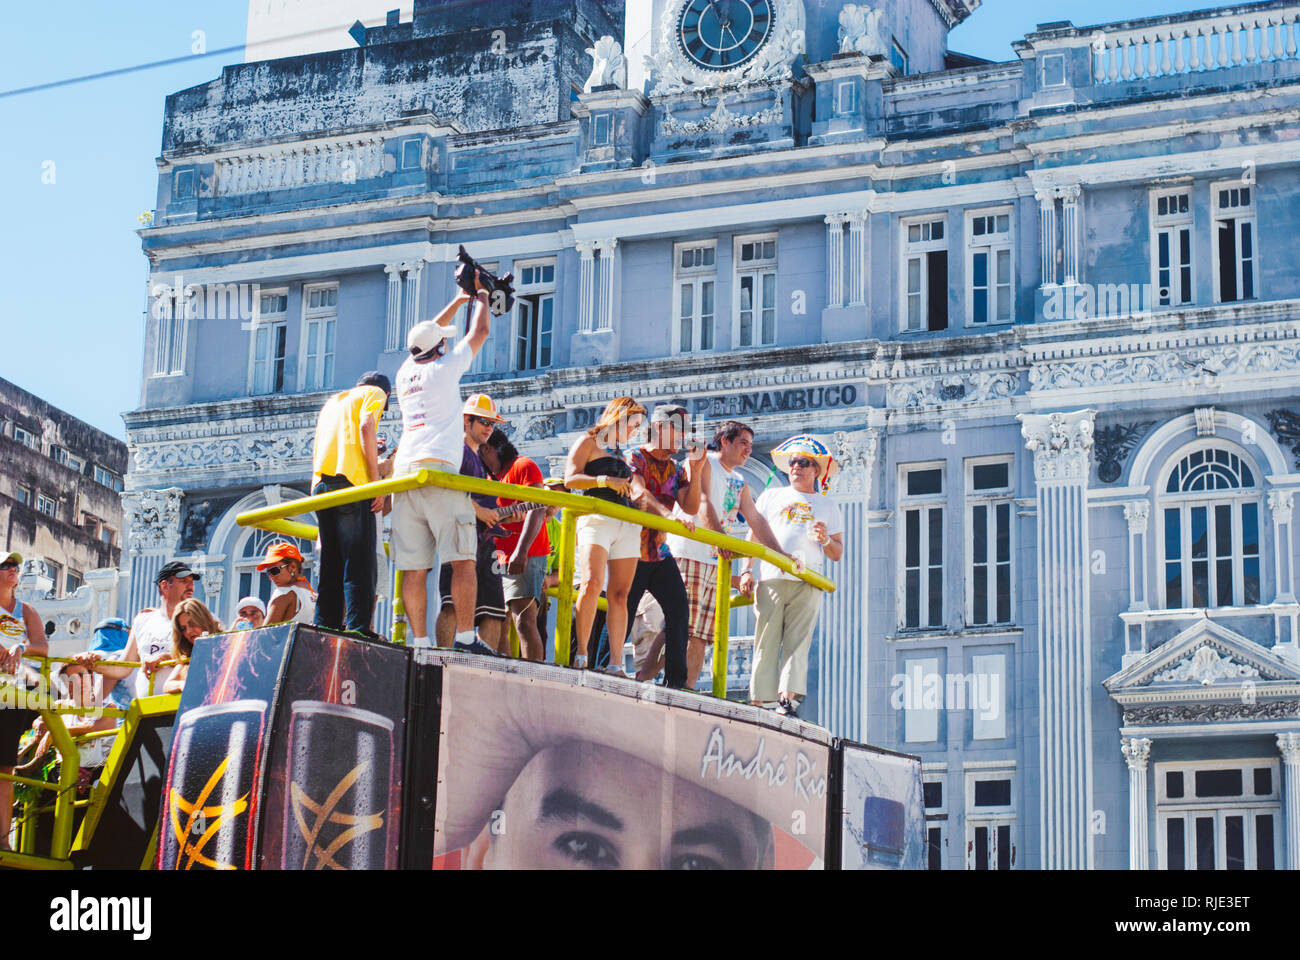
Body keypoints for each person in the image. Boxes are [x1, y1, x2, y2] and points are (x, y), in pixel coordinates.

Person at [392, 269, 493, 654]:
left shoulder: (405, 373)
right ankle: (466, 637)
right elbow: (478, 333)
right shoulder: (444, 368)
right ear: (438, 349)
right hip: (439, 471)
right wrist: (481, 296)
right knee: (463, 560)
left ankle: (419, 642)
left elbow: (427, 333)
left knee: (415, 568)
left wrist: (460, 298)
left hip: (405, 476)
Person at [665, 420, 788, 688]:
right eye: (743, 443)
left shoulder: (739, 480)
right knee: (681, 628)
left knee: (700, 635)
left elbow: (756, 519)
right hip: (689, 553)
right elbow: (703, 502)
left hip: (713, 563)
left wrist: (782, 555)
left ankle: (687, 689)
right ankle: (661, 682)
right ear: (724, 441)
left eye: (750, 445)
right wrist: (720, 538)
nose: (748, 450)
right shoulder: (704, 462)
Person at [740, 436, 844, 718]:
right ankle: (760, 700)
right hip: (771, 576)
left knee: (798, 643)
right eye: (793, 461)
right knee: (766, 639)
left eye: (804, 462)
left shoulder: (827, 505)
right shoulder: (772, 496)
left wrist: (825, 540)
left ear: (816, 471)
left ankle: (787, 701)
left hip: (809, 580)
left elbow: (837, 552)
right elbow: (753, 534)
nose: (796, 466)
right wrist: (747, 569)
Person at [613, 404, 705, 686]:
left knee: (678, 609)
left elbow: (690, 507)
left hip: (657, 552)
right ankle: (604, 663)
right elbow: (638, 493)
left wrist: (696, 468)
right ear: (662, 429)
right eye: (681, 429)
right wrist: (667, 516)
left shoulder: (676, 468)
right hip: (631, 548)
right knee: (622, 608)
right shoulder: (635, 457)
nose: (686, 436)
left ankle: (676, 682)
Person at [563, 397, 645, 671]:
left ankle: (616, 662)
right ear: (618, 418)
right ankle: (582, 653)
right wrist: (604, 480)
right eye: (633, 424)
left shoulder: (622, 451)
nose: (635, 431)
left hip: (626, 521)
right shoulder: (588, 442)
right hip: (596, 518)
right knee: (591, 583)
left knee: (620, 594)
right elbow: (570, 478)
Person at [310, 370, 393, 635]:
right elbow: (367, 426)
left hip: (321, 486)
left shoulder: (333, 402)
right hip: (351, 484)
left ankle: (325, 626)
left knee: (331, 562)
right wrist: (374, 483)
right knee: (359, 561)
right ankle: (358, 629)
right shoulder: (375, 393)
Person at [434, 395, 509, 651]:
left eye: (492, 423)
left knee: (494, 609)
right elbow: (446, 486)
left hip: (484, 541)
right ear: (467, 421)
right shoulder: (455, 448)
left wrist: (504, 516)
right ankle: (442, 658)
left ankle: (480, 664)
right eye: (484, 422)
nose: (489, 428)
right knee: (452, 602)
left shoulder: (478, 459)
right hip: (458, 532)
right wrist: (479, 511)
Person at [79, 559, 199, 702]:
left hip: (181, 707)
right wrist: (94, 664)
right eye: (184, 581)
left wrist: (164, 658)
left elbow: (207, 656)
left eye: (191, 581)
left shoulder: (202, 619)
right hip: (145, 711)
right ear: (165, 585)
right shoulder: (143, 621)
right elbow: (123, 667)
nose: (190, 586)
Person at [479, 428, 549, 661]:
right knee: (498, 620)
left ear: (488, 448)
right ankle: (507, 671)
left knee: (524, 620)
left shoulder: (523, 465)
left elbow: (538, 506)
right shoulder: (491, 479)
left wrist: (521, 551)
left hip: (525, 555)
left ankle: (533, 674)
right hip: (498, 558)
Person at [0, 551, 48, 850]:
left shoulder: (26, 610)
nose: (12, 570)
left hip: (11, 697)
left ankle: (4, 840)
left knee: (5, 770)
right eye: (5, 566)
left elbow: (42, 646)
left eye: (15, 566)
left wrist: (21, 648)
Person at [163, 598, 223, 696]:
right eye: (183, 628)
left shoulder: (226, 645)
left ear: (204, 620)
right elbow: (167, 685)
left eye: (192, 624)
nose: (189, 631)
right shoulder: (189, 656)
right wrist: (182, 684)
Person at [260, 543, 316, 626]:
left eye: (274, 571)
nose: (271, 577)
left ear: (293, 567)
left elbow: (265, 634)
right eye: (268, 573)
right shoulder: (313, 594)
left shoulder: (284, 592)